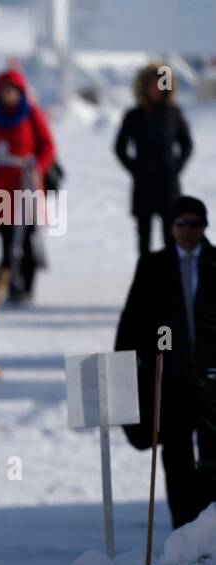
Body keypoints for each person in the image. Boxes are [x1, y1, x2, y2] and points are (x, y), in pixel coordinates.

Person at [116, 196, 215, 530]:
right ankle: (185, 532)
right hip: (169, 379)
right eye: (182, 224)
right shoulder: (152, 266)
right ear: (171, 227)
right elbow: (131, 324)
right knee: (176, 458)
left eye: (195, 224)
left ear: (205, 226)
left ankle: (209, 529)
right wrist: (123, 377)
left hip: (212, 383)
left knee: (212, 457)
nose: (189, 232)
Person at [0, 67, 56, 303]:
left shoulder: (32, 114)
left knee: (28, 239)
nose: (9, 96)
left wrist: (38, 168)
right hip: (3, 189)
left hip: (28, 187)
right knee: (7, 241)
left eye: (14, 91)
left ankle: (28, 287)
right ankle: (10, 286)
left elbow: (48, 146)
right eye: (5, 91)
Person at [114, 62, 194, 257]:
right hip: (144, 185)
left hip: (168, 184)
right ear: (143, 87)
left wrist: (176, 166)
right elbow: (120, 148)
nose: (156, 89)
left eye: (160, 84)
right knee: (144, 239)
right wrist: (135, 169)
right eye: (151, 84)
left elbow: (186, 143)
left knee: (171, 237)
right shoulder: (134, 115)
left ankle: (171, 282)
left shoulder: (173, 113)